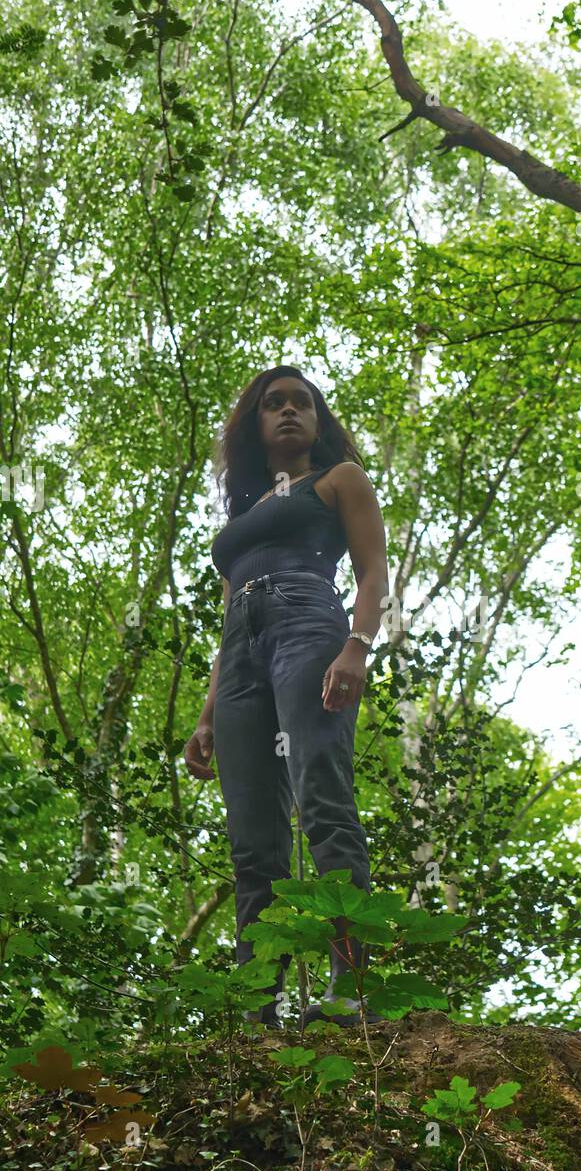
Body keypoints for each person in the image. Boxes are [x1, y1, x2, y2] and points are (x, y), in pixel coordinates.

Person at [183, 364, 389, 1028]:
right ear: (257, 423)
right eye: (275, 404)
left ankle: (348, 986)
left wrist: (357, 646)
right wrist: (209, 715)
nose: (290, 412)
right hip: (242, 652)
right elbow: (227, 622)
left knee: (321, 793)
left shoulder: (339, 481)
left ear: (319, 421)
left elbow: (373, 570)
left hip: (309, 623)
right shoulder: (244, 515)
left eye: (303, 403)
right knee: (253, 839)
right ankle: (255, 1009)